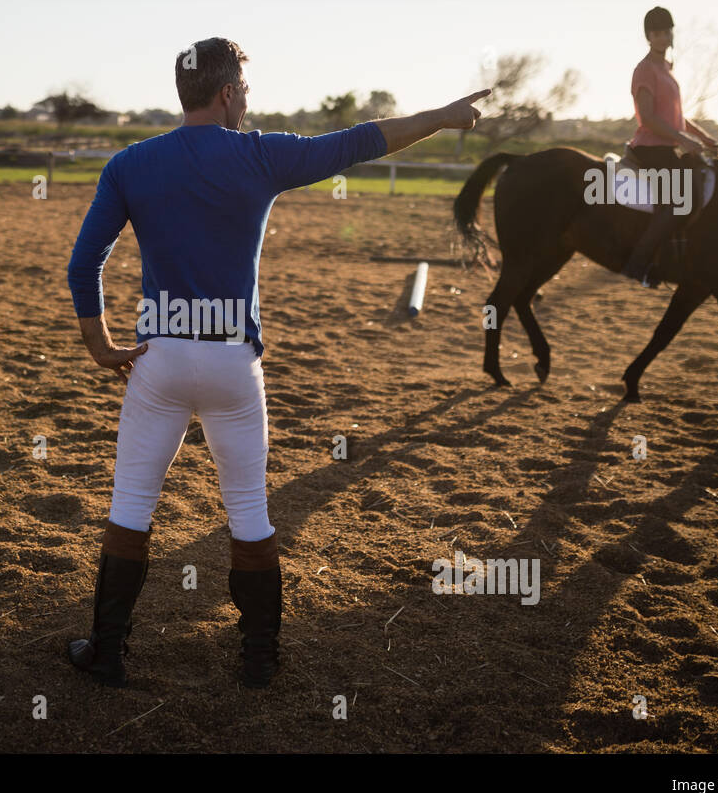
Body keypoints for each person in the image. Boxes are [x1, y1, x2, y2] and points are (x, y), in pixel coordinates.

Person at [65, 36, 488, 688]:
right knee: (248, 509)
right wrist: (441, 116)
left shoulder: (130, 164)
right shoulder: (262, 155)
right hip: (234, 363)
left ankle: (108, 649)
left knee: (131, 505)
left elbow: (83, 261)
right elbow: (361, 140)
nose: (248, 101)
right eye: (246, 90)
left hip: (161, 359)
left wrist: (100, 346)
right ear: (229, 93)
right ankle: (259, 658)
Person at [620, 6, 718, 284]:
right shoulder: (644, 70)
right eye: (656, 33)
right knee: (677, 203)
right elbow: (648, 118)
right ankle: (638, 265)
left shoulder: (667, 69)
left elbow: (677, 117)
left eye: (666, 31)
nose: (662, 37)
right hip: (650, 147)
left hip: (667, 146)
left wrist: (703, 137)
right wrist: (683, 139)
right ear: (648, 37)